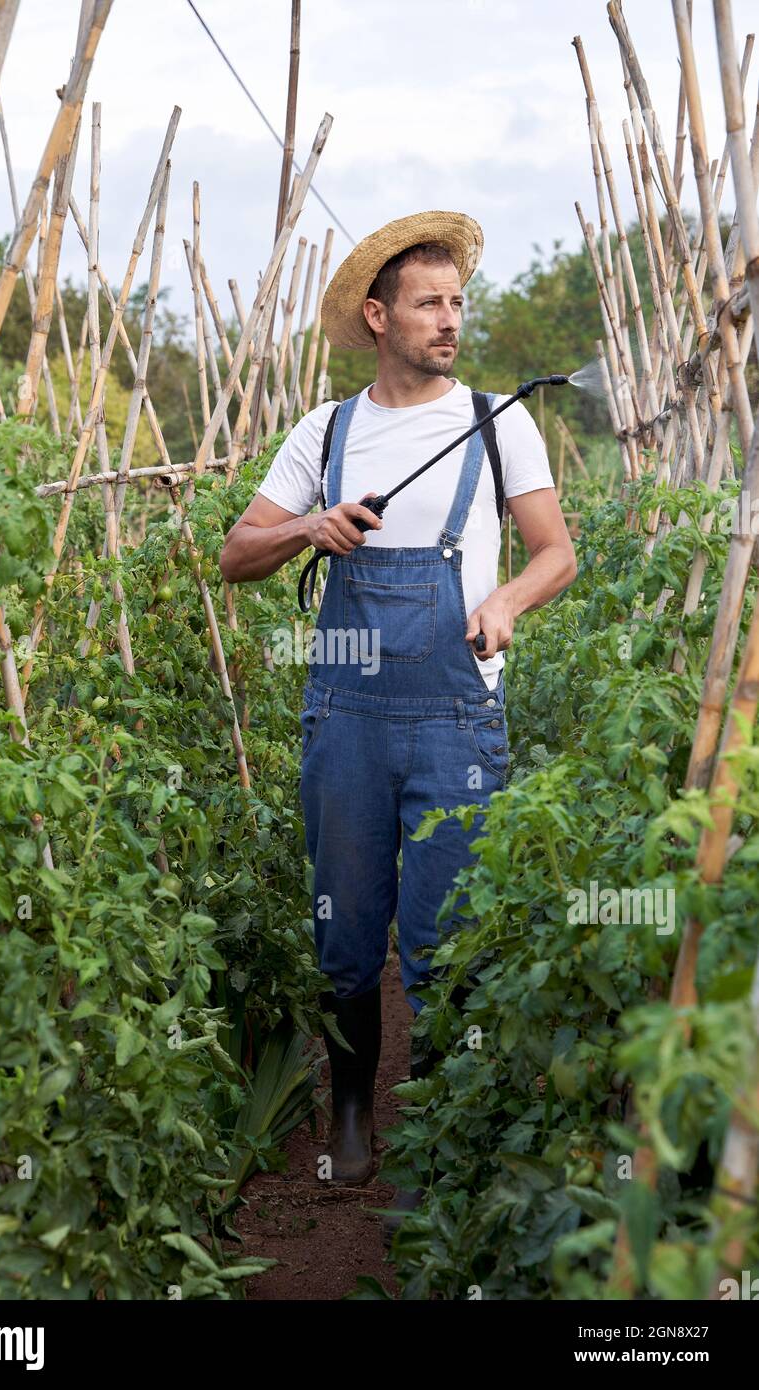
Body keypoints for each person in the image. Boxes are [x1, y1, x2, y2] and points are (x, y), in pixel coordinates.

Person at [219, 210, 577, 1200]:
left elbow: (557, 551)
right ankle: (347, 1103)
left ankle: (435, 1107)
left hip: (453, 713)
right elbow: (234, 555)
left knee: (441, 931)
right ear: (377, 316)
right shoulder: (325, 430)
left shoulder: (497, 423)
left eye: (456, 302)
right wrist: (307, 525)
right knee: (344, 929)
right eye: (428, 303)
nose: (449, 319)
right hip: (345, 715)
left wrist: (504, 597)